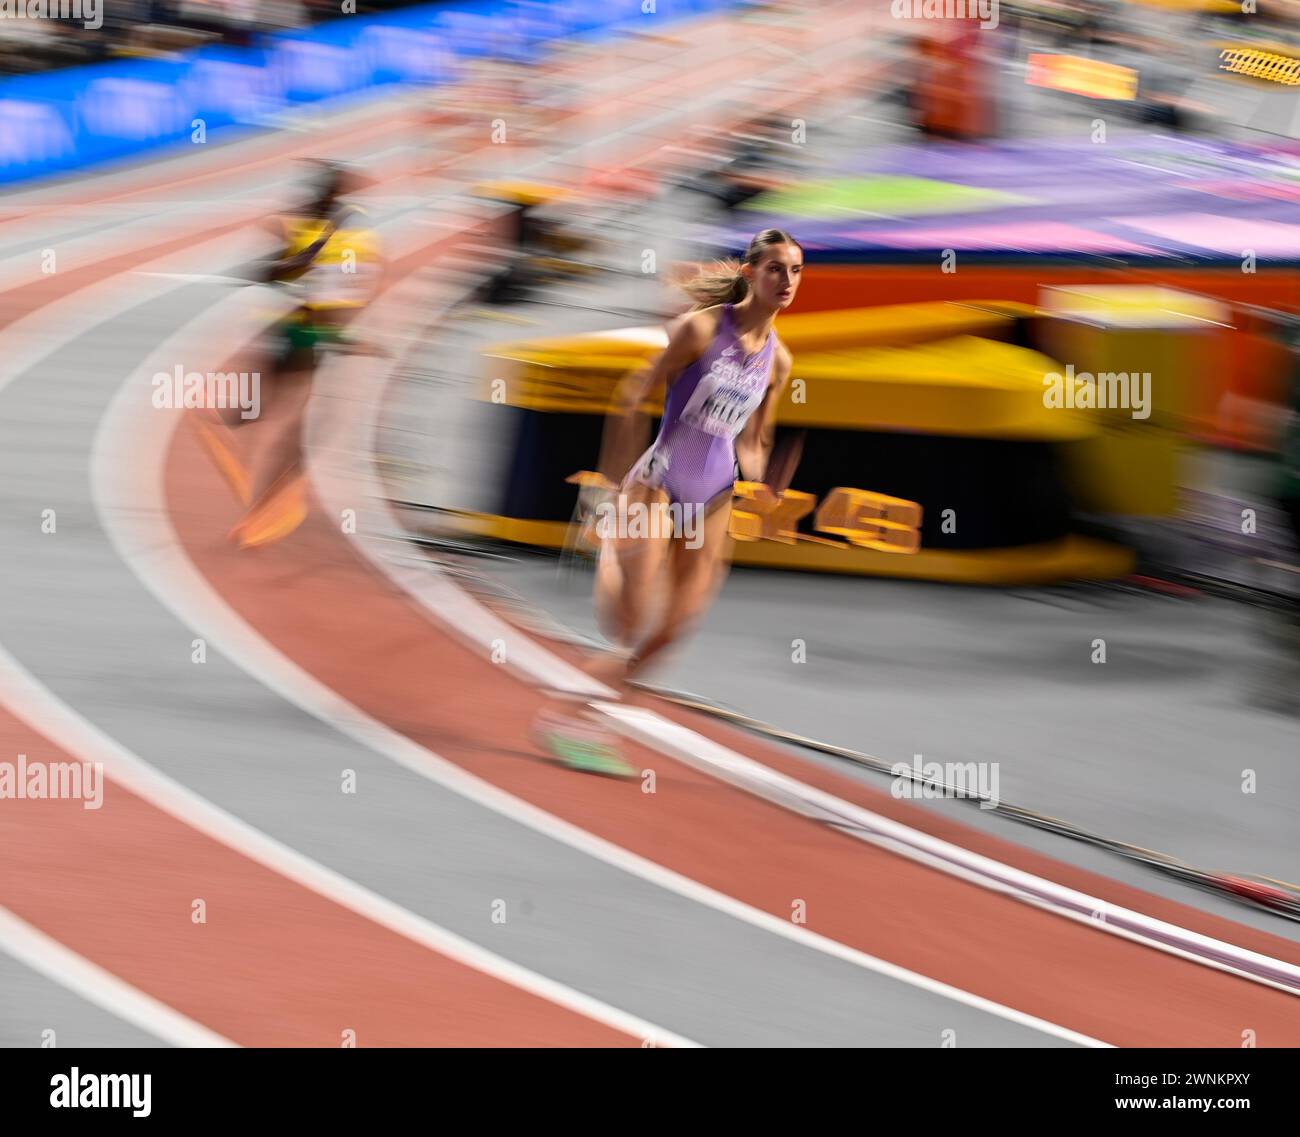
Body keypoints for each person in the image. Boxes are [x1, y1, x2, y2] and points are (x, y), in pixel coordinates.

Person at [532, 228, 804, 776]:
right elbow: (634, 395)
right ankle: (566, 710)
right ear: (751, 273)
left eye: (796, 271)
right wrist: (607, 486)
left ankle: (586, 721)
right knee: (631, 623)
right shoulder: (700, 328)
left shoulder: (780, 362)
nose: (787, 280)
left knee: (672, 630)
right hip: (659, 480)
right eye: (776, 268)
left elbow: (754, 440)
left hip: (715, 495)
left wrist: (763, 480)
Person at [196, 160, 382, 547]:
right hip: (302, 331)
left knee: (288, 416)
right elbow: (282, 273)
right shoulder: (321, 228)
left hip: (301, 330)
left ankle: (230, 424)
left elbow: (283, 274)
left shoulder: (330, 227)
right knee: (306, 428)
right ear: (334, 193)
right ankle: (258, 509)